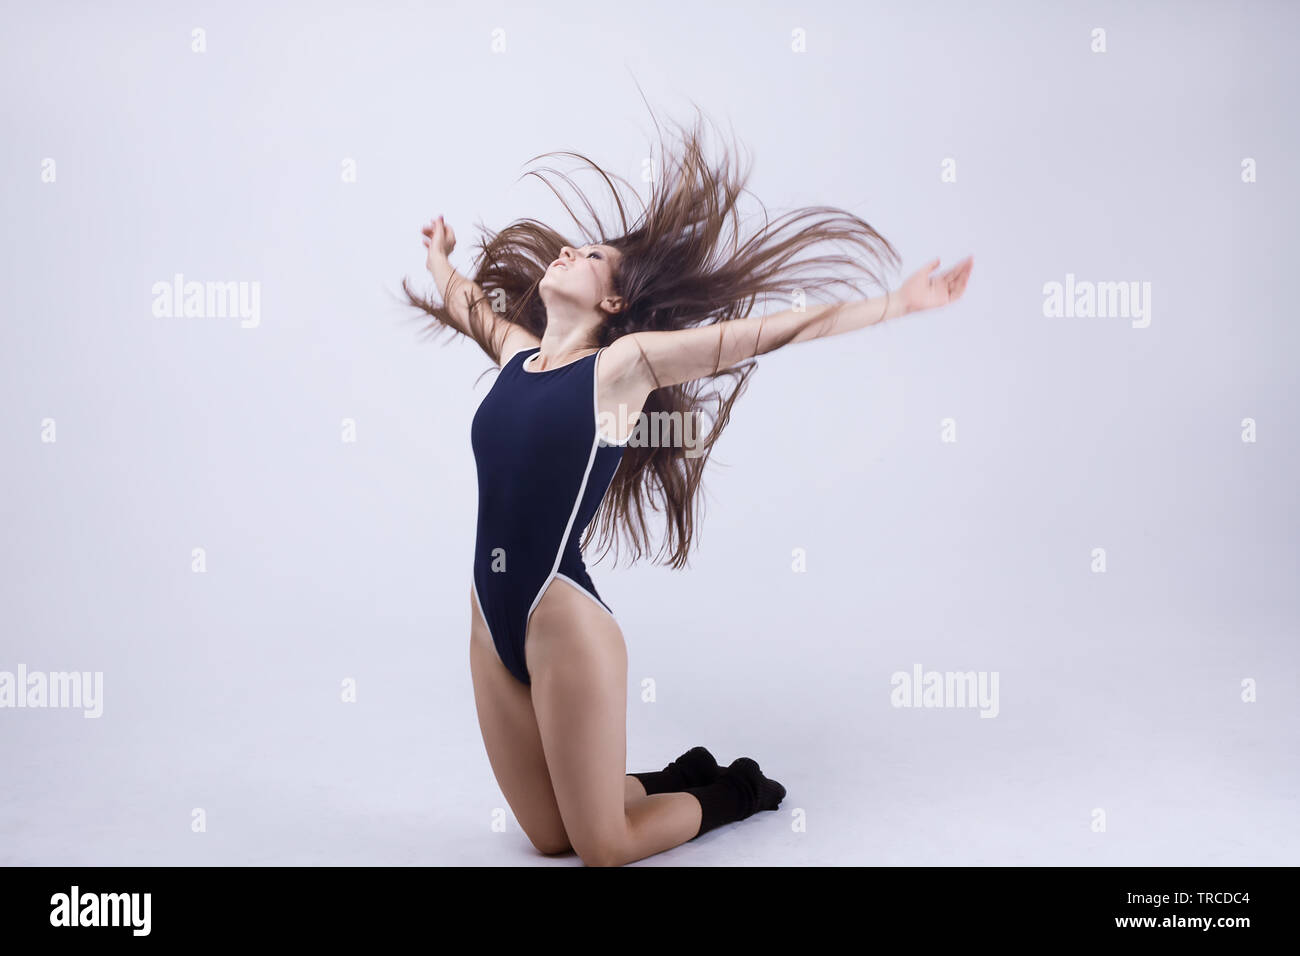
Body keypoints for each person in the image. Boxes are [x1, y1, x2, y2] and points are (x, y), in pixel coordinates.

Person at [402, 107, 973, 866]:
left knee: (602, 848)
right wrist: (441, 256)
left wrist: (897, 304)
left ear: (614, 304)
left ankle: (727, 791)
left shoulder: (622, 367)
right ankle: (666, 776)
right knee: (547, 840)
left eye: (593, 255)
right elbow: (466, 301)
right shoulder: (517, 355)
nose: (569, 249)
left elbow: (758, 335)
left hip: (559, 620)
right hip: (486, 615)